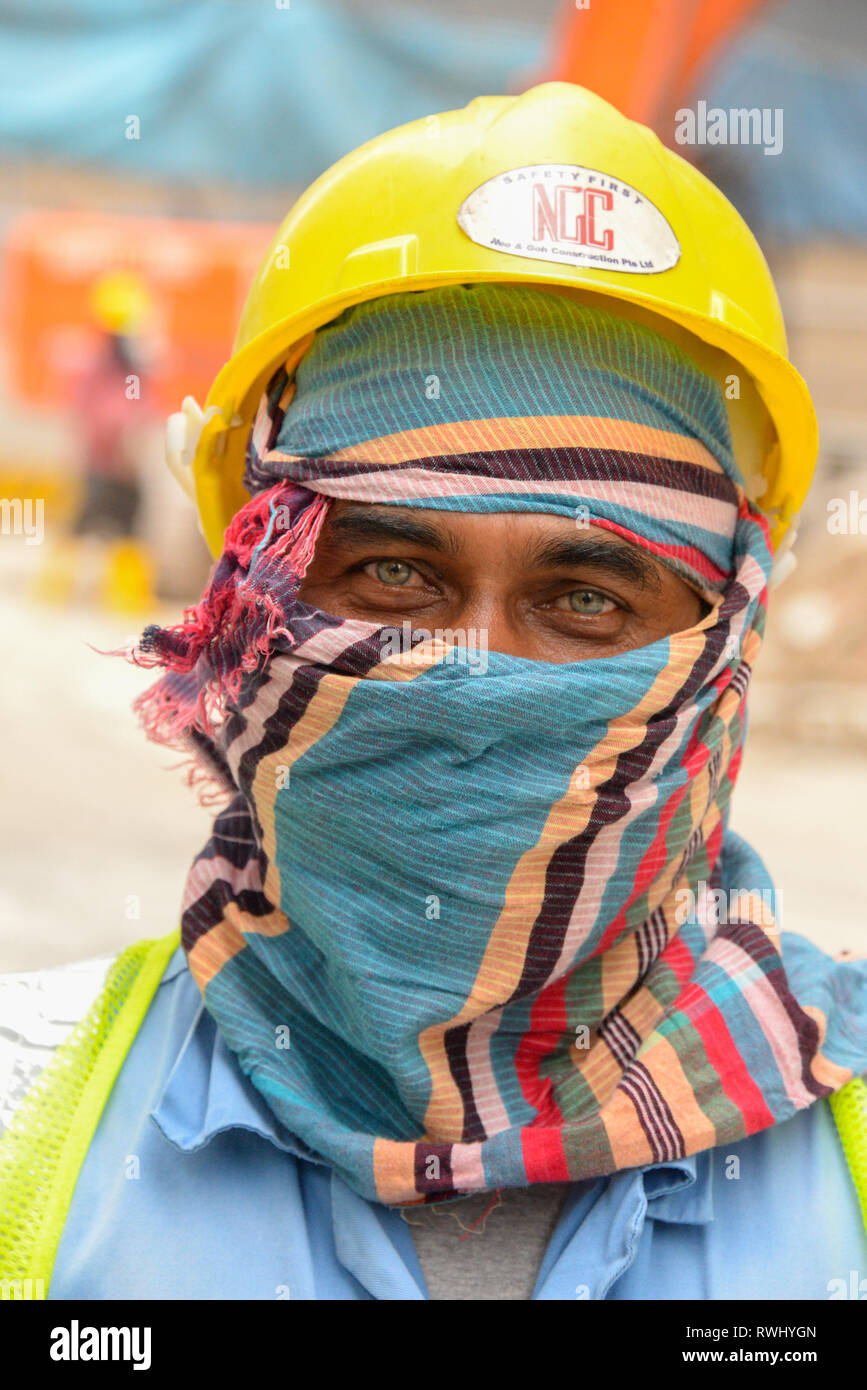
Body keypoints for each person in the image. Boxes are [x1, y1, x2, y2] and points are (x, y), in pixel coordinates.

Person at [2, 82, 866, 1303]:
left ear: (724, 655)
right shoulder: (25, 1112)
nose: (472, 677)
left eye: (585, 602)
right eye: (395, 574)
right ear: (256, 606)